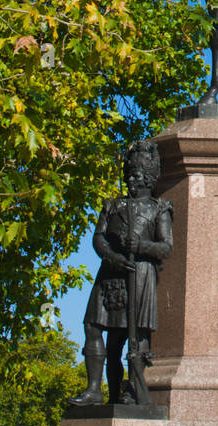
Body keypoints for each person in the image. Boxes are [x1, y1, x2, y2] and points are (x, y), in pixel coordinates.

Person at [69, 139, 173, 406]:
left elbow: (166, 247)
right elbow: (98, 238)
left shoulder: (159, 208)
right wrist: (111, 256)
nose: (131, 181)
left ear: (149, 179)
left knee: (135, 337)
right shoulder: (112, 205)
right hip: (111, 273)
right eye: (128, 176)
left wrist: (141, 246)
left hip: (140, 275)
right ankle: (95, 390)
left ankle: (132, 390)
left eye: (137, 176)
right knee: (93, 327)